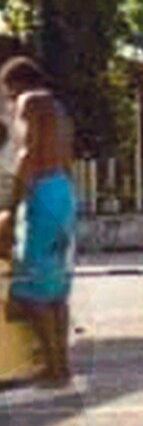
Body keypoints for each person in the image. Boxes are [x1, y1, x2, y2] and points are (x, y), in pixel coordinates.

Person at [0, 56, 78, 390]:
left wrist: (11, 206)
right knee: (55, 289)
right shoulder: (58, 108)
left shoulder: (28, 102)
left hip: (42, 192)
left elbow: (26, 153)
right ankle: (61, 365)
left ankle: (53, 367)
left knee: (29, 290)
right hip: (63, 190)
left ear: (14, 84)